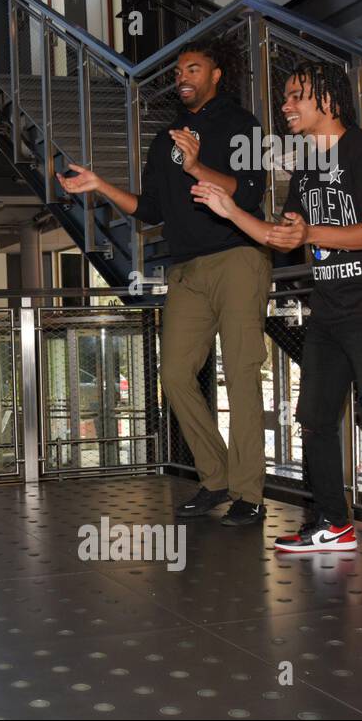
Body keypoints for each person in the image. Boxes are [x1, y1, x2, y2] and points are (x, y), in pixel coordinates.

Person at [193, 61, 362, 584]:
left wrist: (313, 230)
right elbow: (284, 237)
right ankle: (332, 522)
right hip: (328, 310)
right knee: (314, 417)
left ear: (327, 99)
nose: (285, 106)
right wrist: (228, 210)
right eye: (284, 97)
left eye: (295, 96)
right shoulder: (304, 166)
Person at [59, 41, 272, 526]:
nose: (183, 76)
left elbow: (252, 190)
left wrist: (198, 166)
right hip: (186, 269)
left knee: (241, 374)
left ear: (217, 74)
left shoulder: (242, 125)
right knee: (174, 373)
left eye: (193, 67)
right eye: (178, 70)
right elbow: (150, 210)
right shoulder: (165, 140)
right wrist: (99, 186)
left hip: (237, 255)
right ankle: (216, 476)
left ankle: (249, 491)